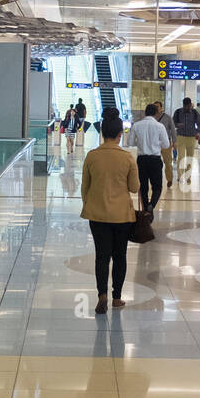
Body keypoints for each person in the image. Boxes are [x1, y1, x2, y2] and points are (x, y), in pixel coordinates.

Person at [81, 115, 140, 314]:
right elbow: (134, 187)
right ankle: (116, 297)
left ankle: (101, 295)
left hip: (97, 215)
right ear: (119, 134)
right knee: (120, 256)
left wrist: (90, 204)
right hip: (122, 216)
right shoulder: (127, 158)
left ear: (102, 132)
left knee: (101, 256)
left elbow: (84, 188)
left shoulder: (92, 156)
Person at [127, 102, 170, 213]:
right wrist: (156, 143)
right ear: (156, 113)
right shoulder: (160, 126)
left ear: (145, 113)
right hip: (155, 160)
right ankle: (152, 206)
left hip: (142, 160)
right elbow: (166, 145)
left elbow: (130, 142)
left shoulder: (137, 125)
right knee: (157, 187)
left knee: (143, 187)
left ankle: (145, 208)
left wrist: (141, 143)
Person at [173, 96, 200, 172]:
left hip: (192, 137)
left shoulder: (195, 113)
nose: (187, 108)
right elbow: (173, 123)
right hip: (181, 137)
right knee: (181, 157)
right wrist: (178, 125)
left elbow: (199, 123)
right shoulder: (178, 112)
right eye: (185, 106)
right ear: (183, 105)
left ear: (190, 104)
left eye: (188, 106)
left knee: (190, 157)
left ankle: (188, 175)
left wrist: (198, 132)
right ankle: (180, 176)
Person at [155, 102, 177, 188]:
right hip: (154, 143)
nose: (156, 108)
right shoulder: (151, 118)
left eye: (157, 106)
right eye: (154, 107)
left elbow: (173, 130)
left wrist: (174, 141)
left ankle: (169, 178)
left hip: (166, 143)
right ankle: (156, 179)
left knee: (168, 162)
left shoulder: (167, 118)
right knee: (155, 162)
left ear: (161, 108)